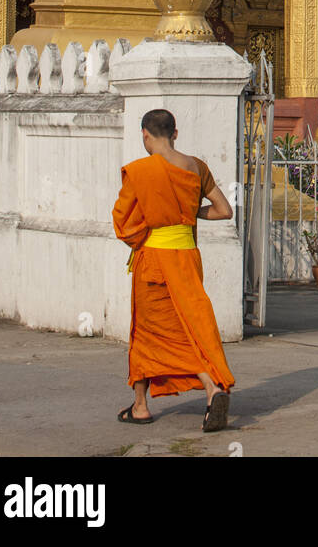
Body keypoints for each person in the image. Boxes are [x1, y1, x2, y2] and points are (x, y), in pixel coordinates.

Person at [111, 108, 235, 432]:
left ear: (145, 135)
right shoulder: (197, 167)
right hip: (188, 258)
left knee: (149, 334)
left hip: (155, 261)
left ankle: (144, 405)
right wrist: (188, 213)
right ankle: (209, 387)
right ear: (175, 133)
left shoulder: (140, 171)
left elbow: (123, 225)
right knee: (191, 326)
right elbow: (224, 211)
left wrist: (148, 232)